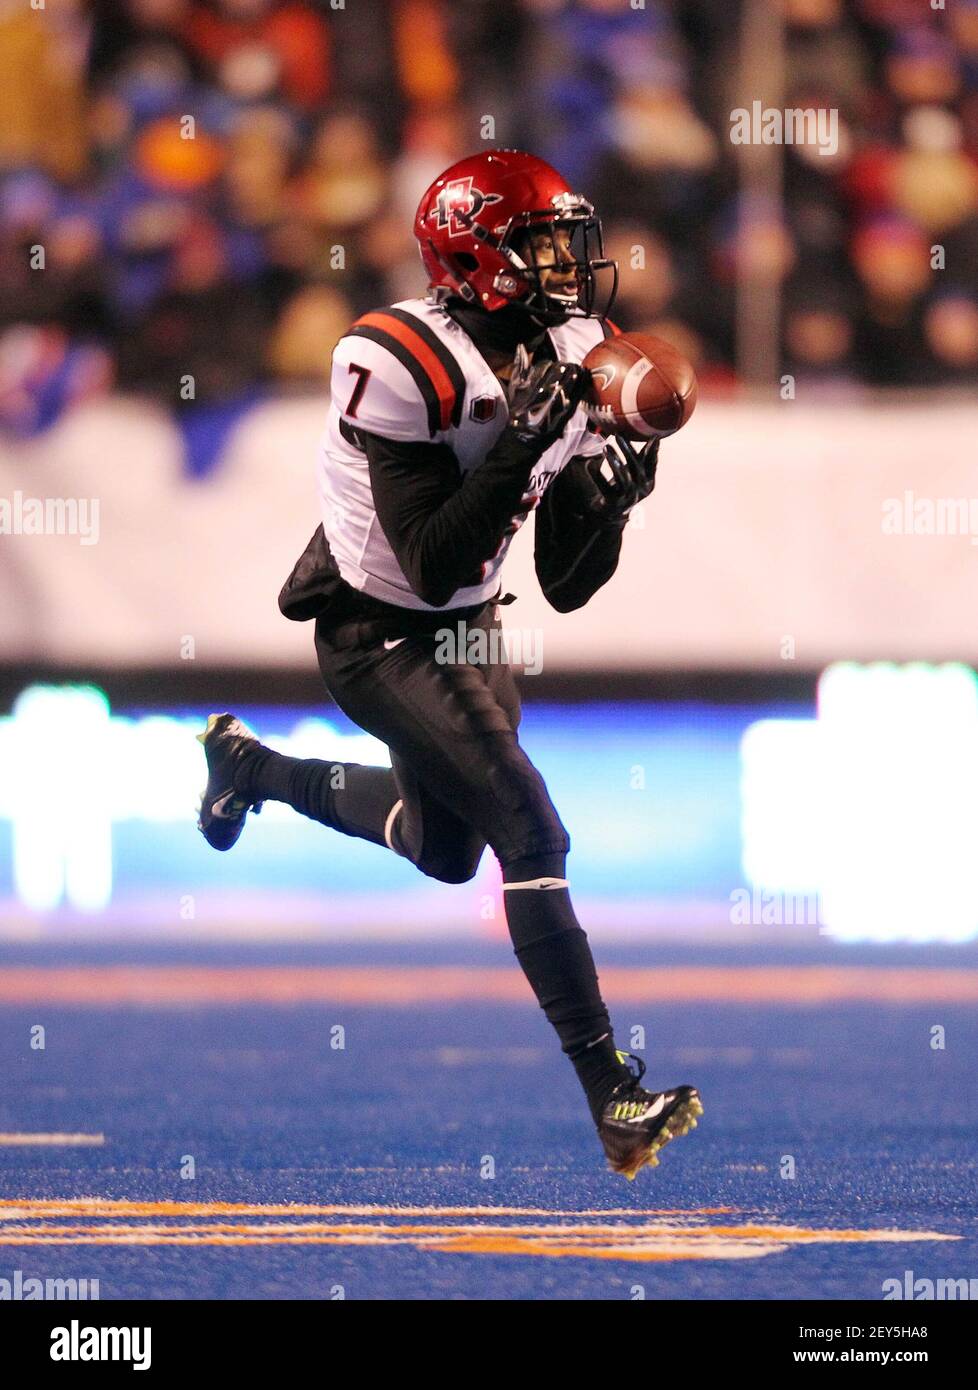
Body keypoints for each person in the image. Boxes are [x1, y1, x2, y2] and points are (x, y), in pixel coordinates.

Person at [196, 149, 702, 1178]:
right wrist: (526, 439)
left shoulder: (570, 342)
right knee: (531, 828)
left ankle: (250, 770)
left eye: (570, 240)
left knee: (446, 850)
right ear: (476, 256)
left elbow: (565, 578)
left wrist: (614, 492)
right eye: (544, 243)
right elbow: (428, 564)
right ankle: (612, 1090)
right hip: (377, 628)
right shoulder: (402, 360)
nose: (569, 264)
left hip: (474, 624)